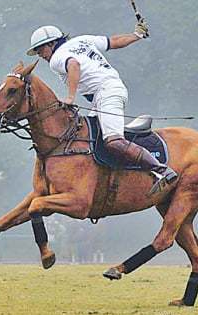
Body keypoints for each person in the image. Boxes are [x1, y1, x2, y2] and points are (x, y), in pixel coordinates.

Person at [26, 23, 178, 196]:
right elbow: (114, 42)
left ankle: (162, 170)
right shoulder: (83, 40)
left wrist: (70, 98)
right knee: (87, 137)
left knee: (114, 141)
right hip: (106, 93)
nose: (40, 55)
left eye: (40, 49)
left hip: (107, 93)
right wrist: (136, 35)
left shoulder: (56, 59)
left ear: (52, 44)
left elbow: (74, 65)